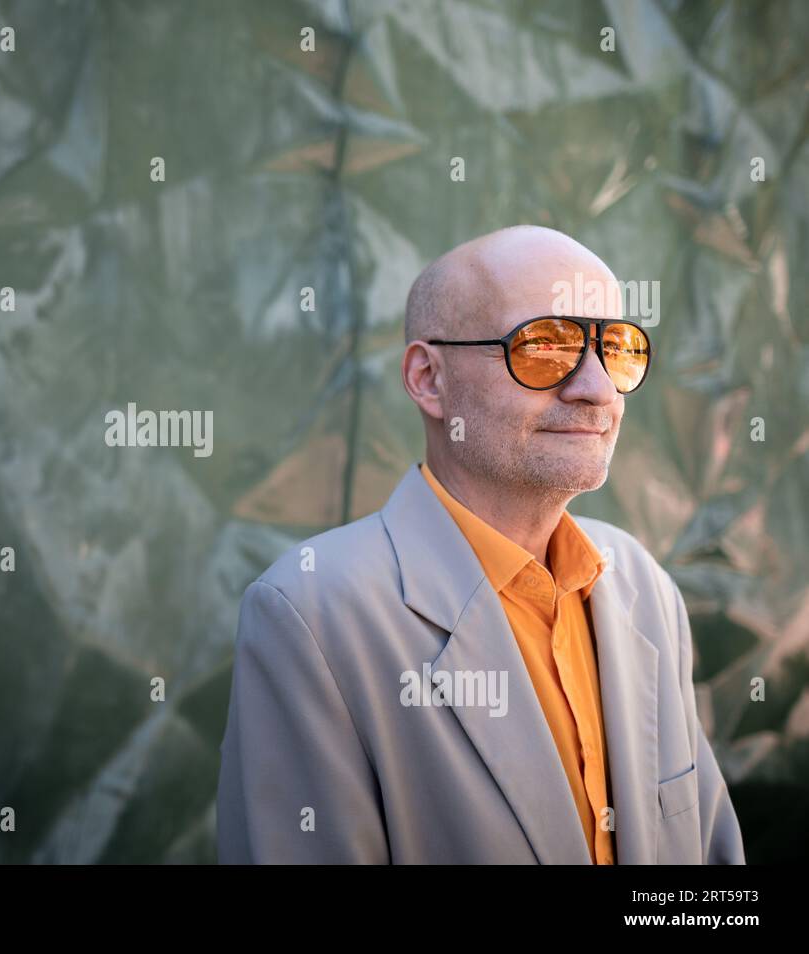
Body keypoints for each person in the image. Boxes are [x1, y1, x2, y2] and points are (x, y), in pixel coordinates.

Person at [216, 225, 745, 864]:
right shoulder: (311, 615)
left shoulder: (642, 585)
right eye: (546, 346)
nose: (597, 389)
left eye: (618, 350)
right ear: (429, 379)